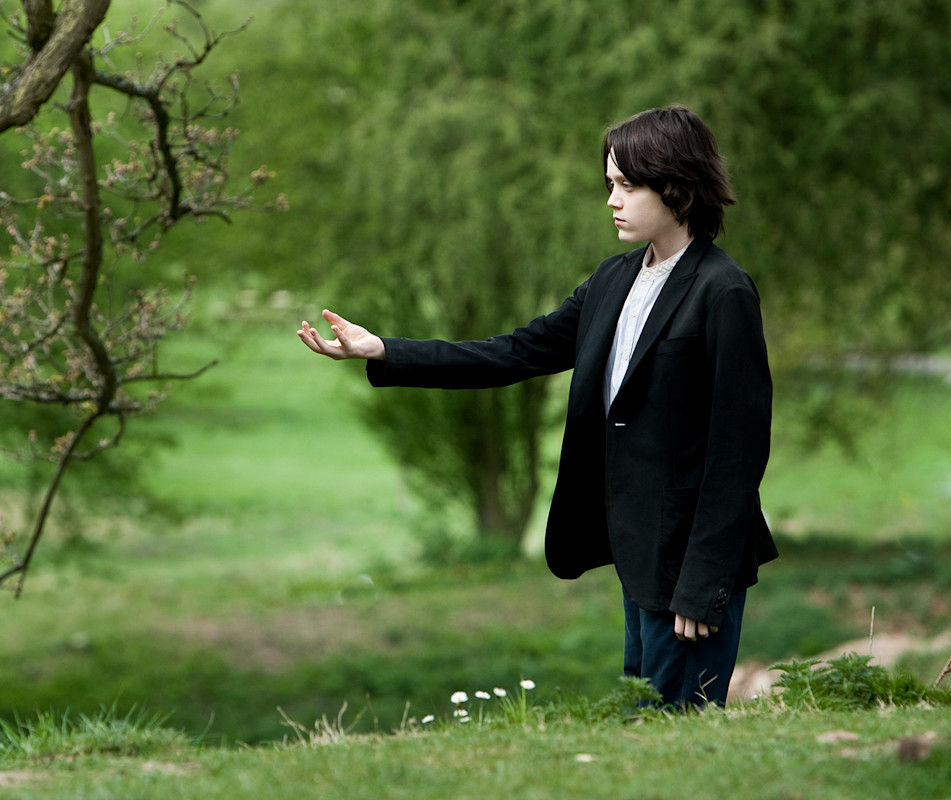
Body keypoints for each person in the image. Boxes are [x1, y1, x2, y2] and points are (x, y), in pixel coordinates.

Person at [296, 105, 776, 709]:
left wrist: (704, 584)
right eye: (610, 184)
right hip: (639, 553)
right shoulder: (614, 280)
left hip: (692, 566)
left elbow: (738, 451)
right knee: (645, 720)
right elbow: (514, 353)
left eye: (628, 185)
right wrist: (386, 350)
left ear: (676, 187)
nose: (612, 200)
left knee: (680, 722)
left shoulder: (723, 291)